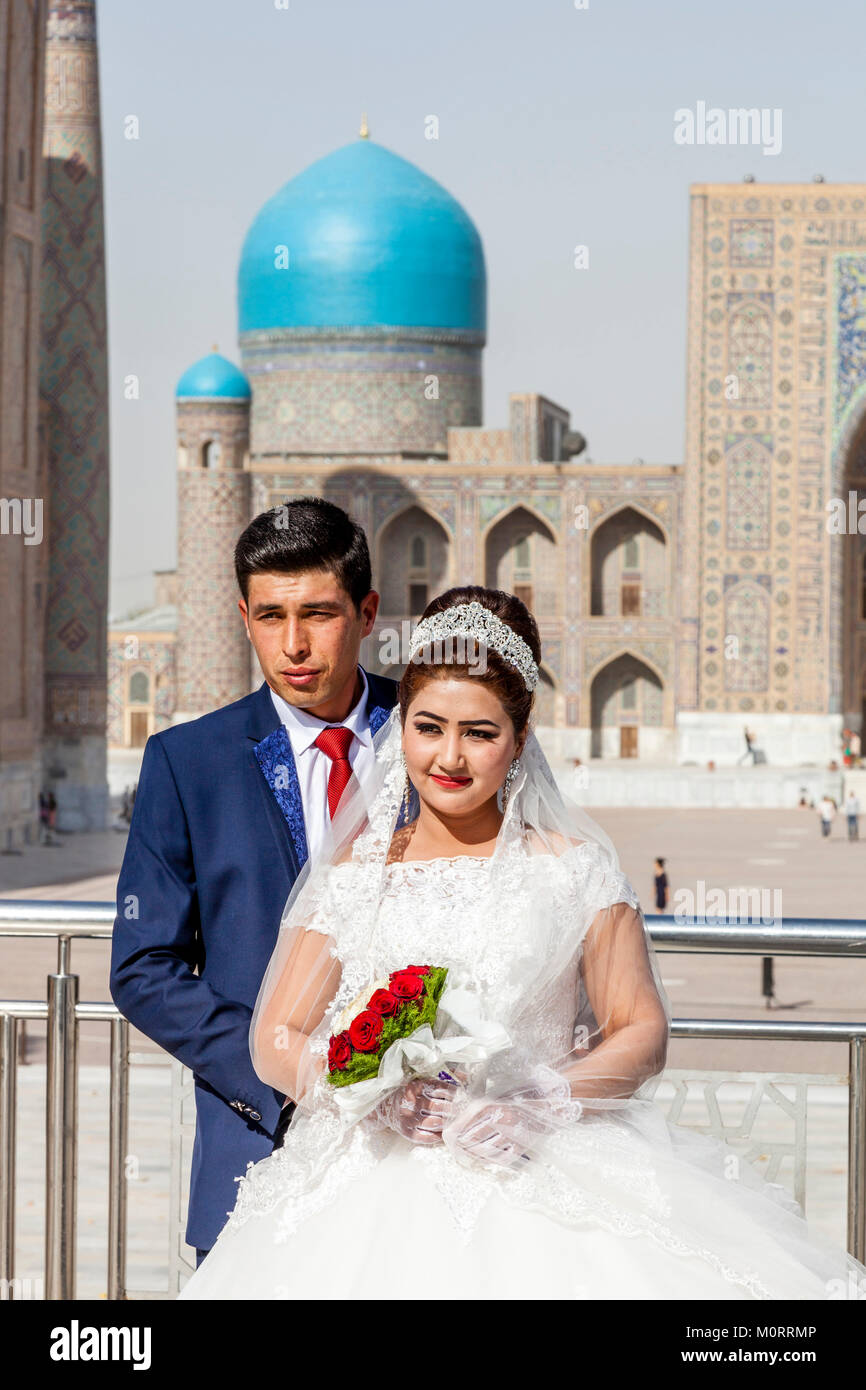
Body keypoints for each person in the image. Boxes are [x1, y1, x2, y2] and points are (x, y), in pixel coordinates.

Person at [179, 586, 866, 1300]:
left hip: (536, 1166)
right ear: (400, 729)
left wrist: (538, 1101)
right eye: (428, 727)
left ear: (520, 738)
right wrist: (371, 1095)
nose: (449, 756)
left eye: (479, 732)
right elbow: (278, 1035)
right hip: (371, 1178)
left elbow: (640, 1029)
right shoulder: (356, 875)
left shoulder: (572, 871)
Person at [110, 498, 400, 1265]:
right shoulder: (188, 763)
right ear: (244, 617)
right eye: (271, 616)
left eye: (319, 614)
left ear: (368, 612)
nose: (294, 645)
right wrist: (287, 1072)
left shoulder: (434, 737)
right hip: (259, 1146)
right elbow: (144, 968)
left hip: (421, 1160)